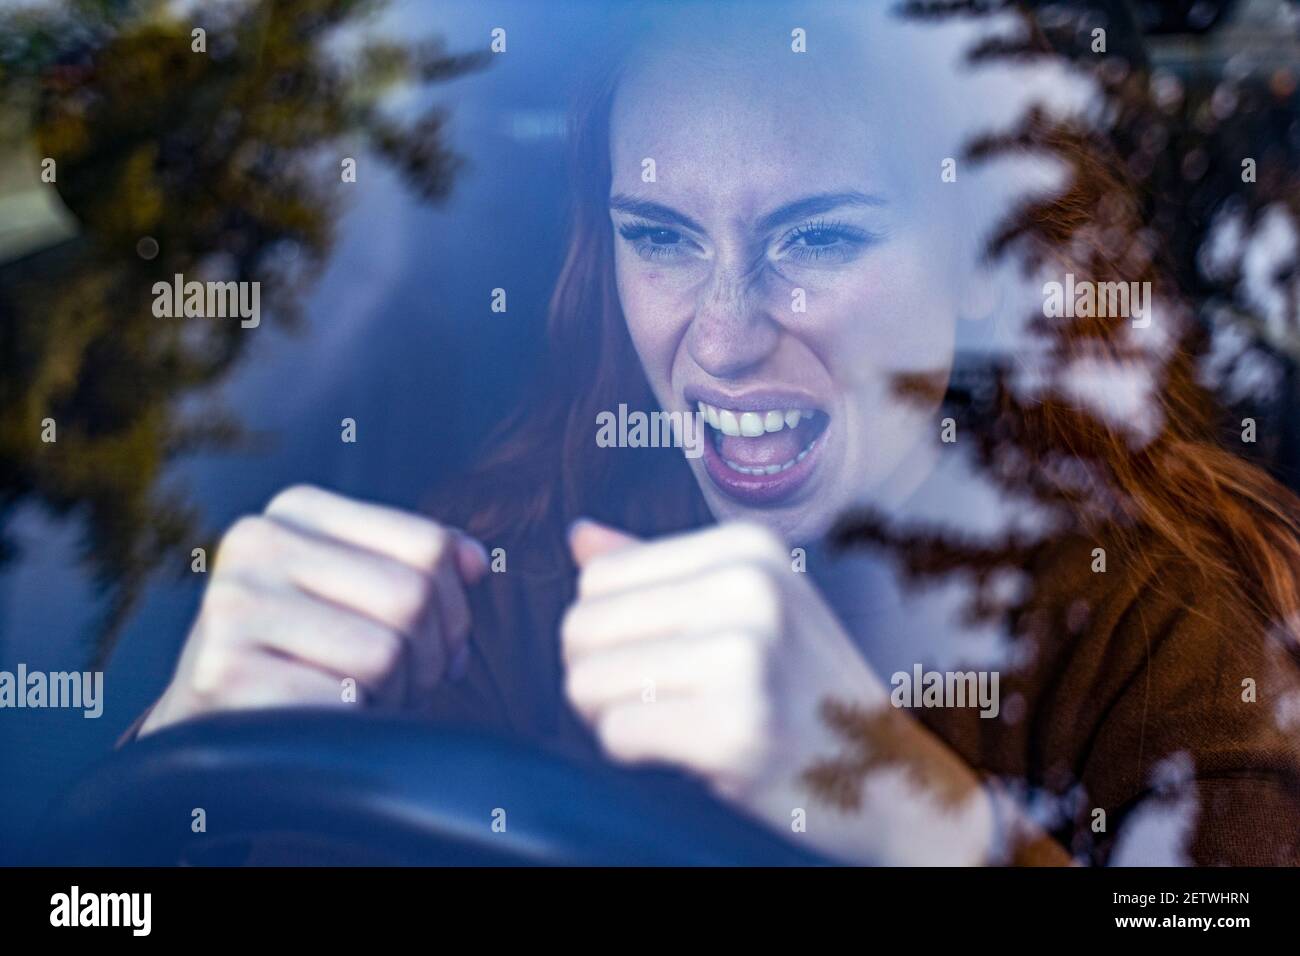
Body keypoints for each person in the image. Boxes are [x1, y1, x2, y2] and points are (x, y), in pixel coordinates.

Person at [131, 3, 1300, 865]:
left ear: (988, 264)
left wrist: (922, 823)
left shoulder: (1188, 626)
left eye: (819, 238)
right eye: (660, 237)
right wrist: (175, 771)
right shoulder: (506, 564)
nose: (726, 339)